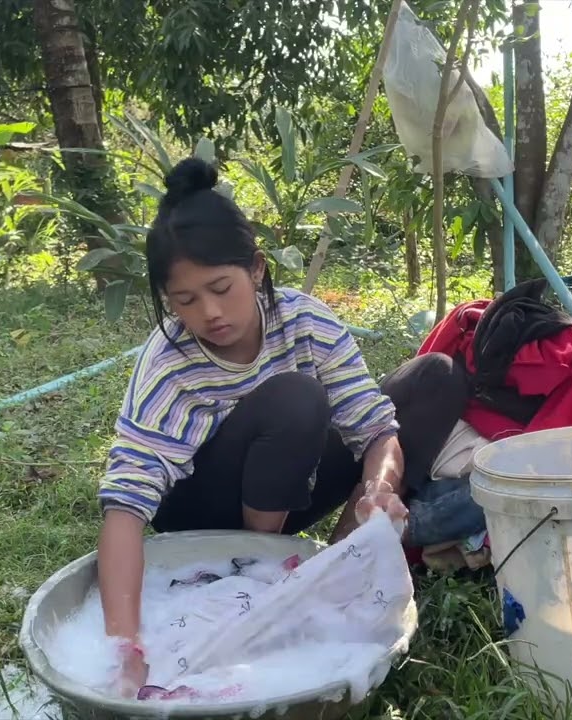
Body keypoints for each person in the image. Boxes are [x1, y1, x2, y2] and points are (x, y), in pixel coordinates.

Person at [94, 157, 467, 695]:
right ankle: (255, 576)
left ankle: (334, 567)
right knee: (297, 397)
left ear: (257, 269)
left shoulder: (306, 321)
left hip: (290, 480)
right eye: (186, 300)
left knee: (435, 376)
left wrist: (380, 489)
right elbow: (126, 505)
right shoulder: (169, 363)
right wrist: (125, 650)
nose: (210, 312)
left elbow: (375, 428)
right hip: (204, 509)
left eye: (222, 287)